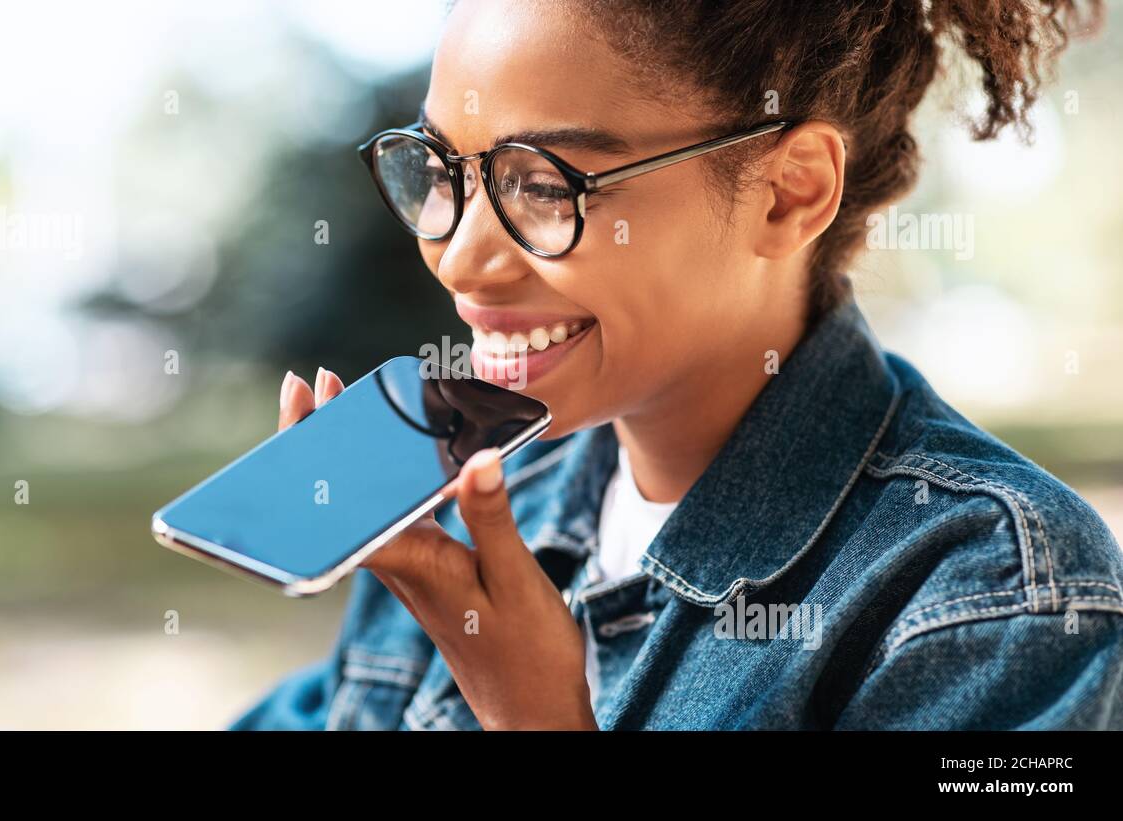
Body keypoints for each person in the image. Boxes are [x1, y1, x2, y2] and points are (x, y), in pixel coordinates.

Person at [233, 0, 1122, 729]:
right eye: (441, 171)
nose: (462, 261)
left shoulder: (995, 594)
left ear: (790, 190)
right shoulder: (463, 503)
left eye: (542, 185)